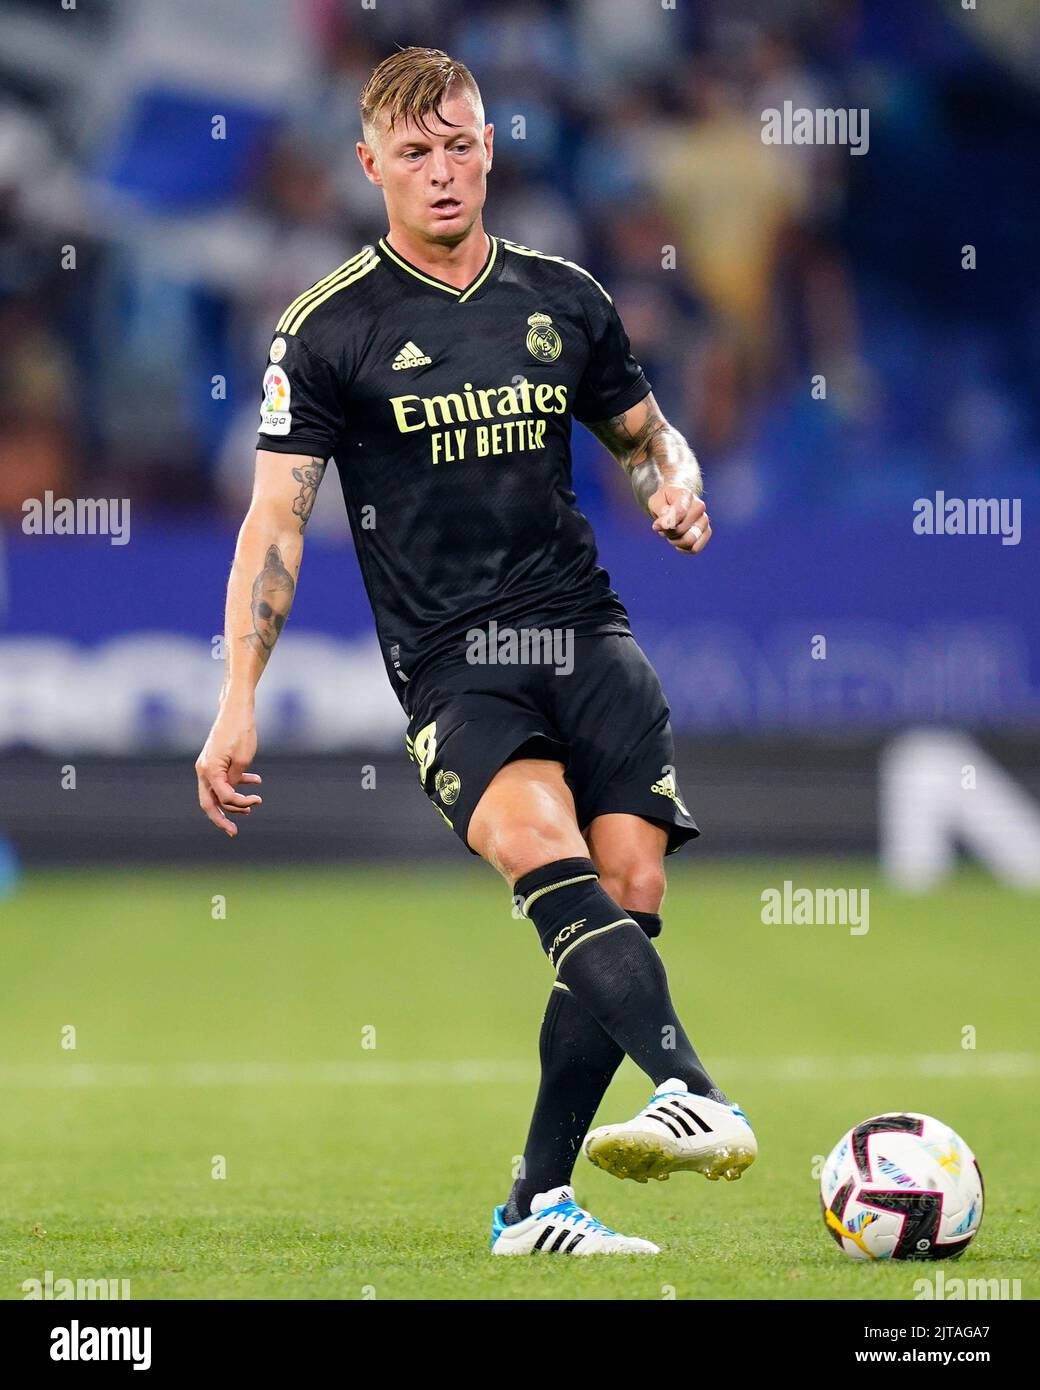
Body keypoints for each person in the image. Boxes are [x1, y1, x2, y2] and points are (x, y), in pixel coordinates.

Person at [195, 47, 756, 1257]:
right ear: (369, 166)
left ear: (490, 145)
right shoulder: (326, 328)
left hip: (587, 632)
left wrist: (675, 490)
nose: (441, 172)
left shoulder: (565, 300)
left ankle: (532, 1206)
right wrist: (235, 694)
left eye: (459, 145)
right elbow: (274, 523)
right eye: (413, 154)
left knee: (630, 892)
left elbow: (652, 440)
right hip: (455, 664)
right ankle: (694, 1085)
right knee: (542, 850)